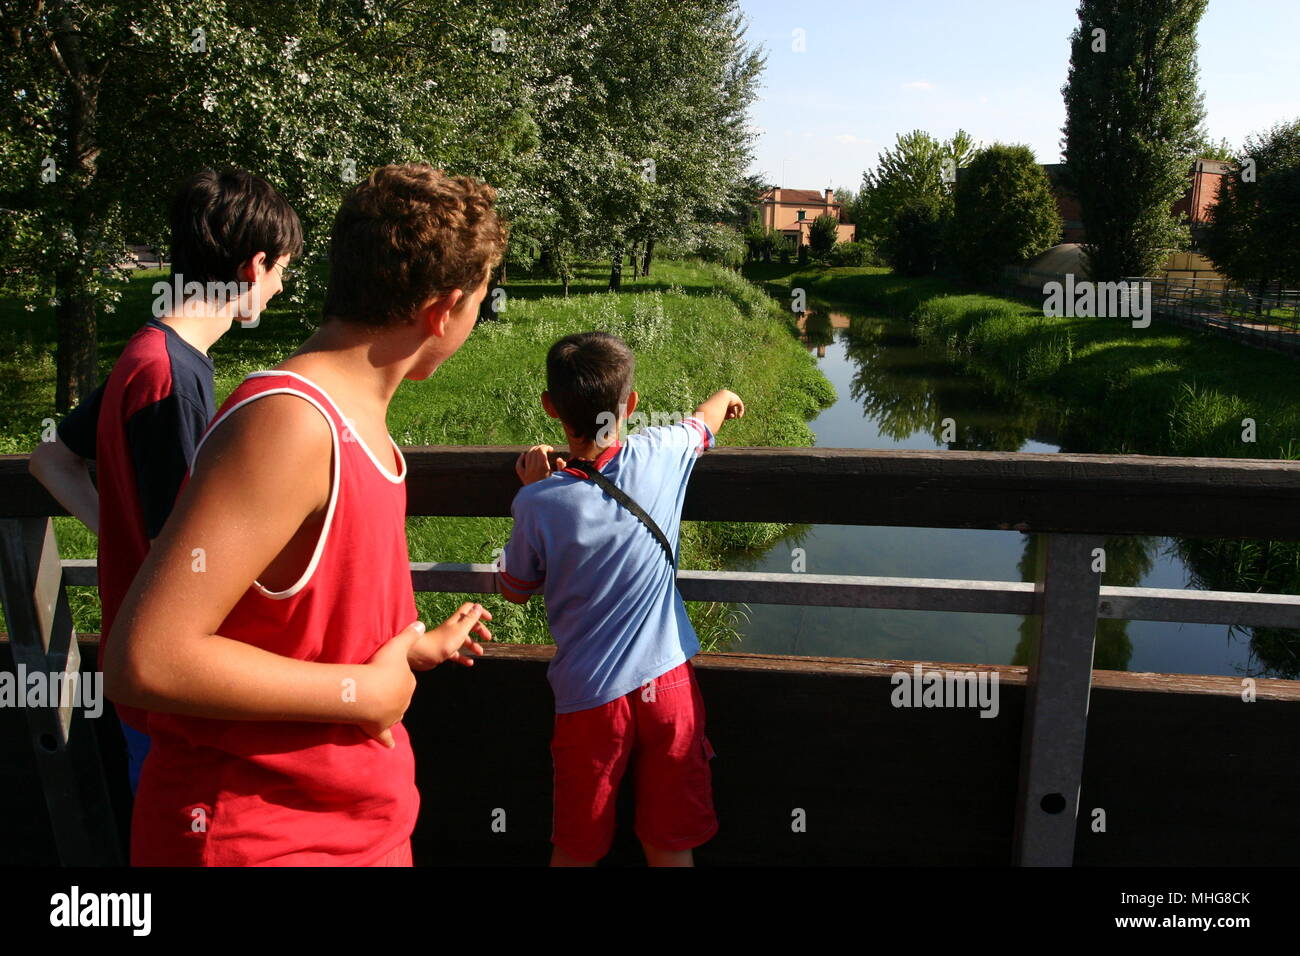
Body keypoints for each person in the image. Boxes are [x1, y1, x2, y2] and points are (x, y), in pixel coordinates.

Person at [104, 163, 506, 866]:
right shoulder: (291, 423)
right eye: (481, 302)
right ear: (442, 311)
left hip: (356, 826)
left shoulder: (361, 426)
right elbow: (148, 658)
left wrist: (401, 650)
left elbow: (286, 623)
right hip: (261, 838)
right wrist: (364, 693)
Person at [29, 168, 303, 793]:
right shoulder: (172, 379)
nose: (281, 287)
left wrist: (118, 532)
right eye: (282, 268)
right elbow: (185, 557)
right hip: (171, 677)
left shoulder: (147, 350)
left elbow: (50, 458)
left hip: (142, 658)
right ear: (252, 266)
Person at [496, 331, 745, 867]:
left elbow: (514, 589)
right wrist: (725, 397)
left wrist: (530, 489)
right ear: (630, 404)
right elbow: (703, 422)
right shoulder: (664, 452)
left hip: (590, 697)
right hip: (669, 683)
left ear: (549, 408)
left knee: (577, 847)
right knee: (671, 842)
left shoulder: (538, 502)